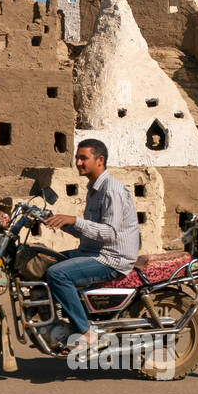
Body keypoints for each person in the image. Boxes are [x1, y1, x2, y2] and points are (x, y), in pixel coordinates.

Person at [42, 138, 140, 357]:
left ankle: (87, 332)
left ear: (100, 160)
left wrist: (74, 220)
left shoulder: (111, 190)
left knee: (57, 274)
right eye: (77, 158)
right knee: (44, 259)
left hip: (112, 258)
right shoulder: (94, 189)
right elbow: (91, 232)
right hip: (92, 251)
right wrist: (59, 222)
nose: (78, 162)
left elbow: (110, 233)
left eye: (83, 158)